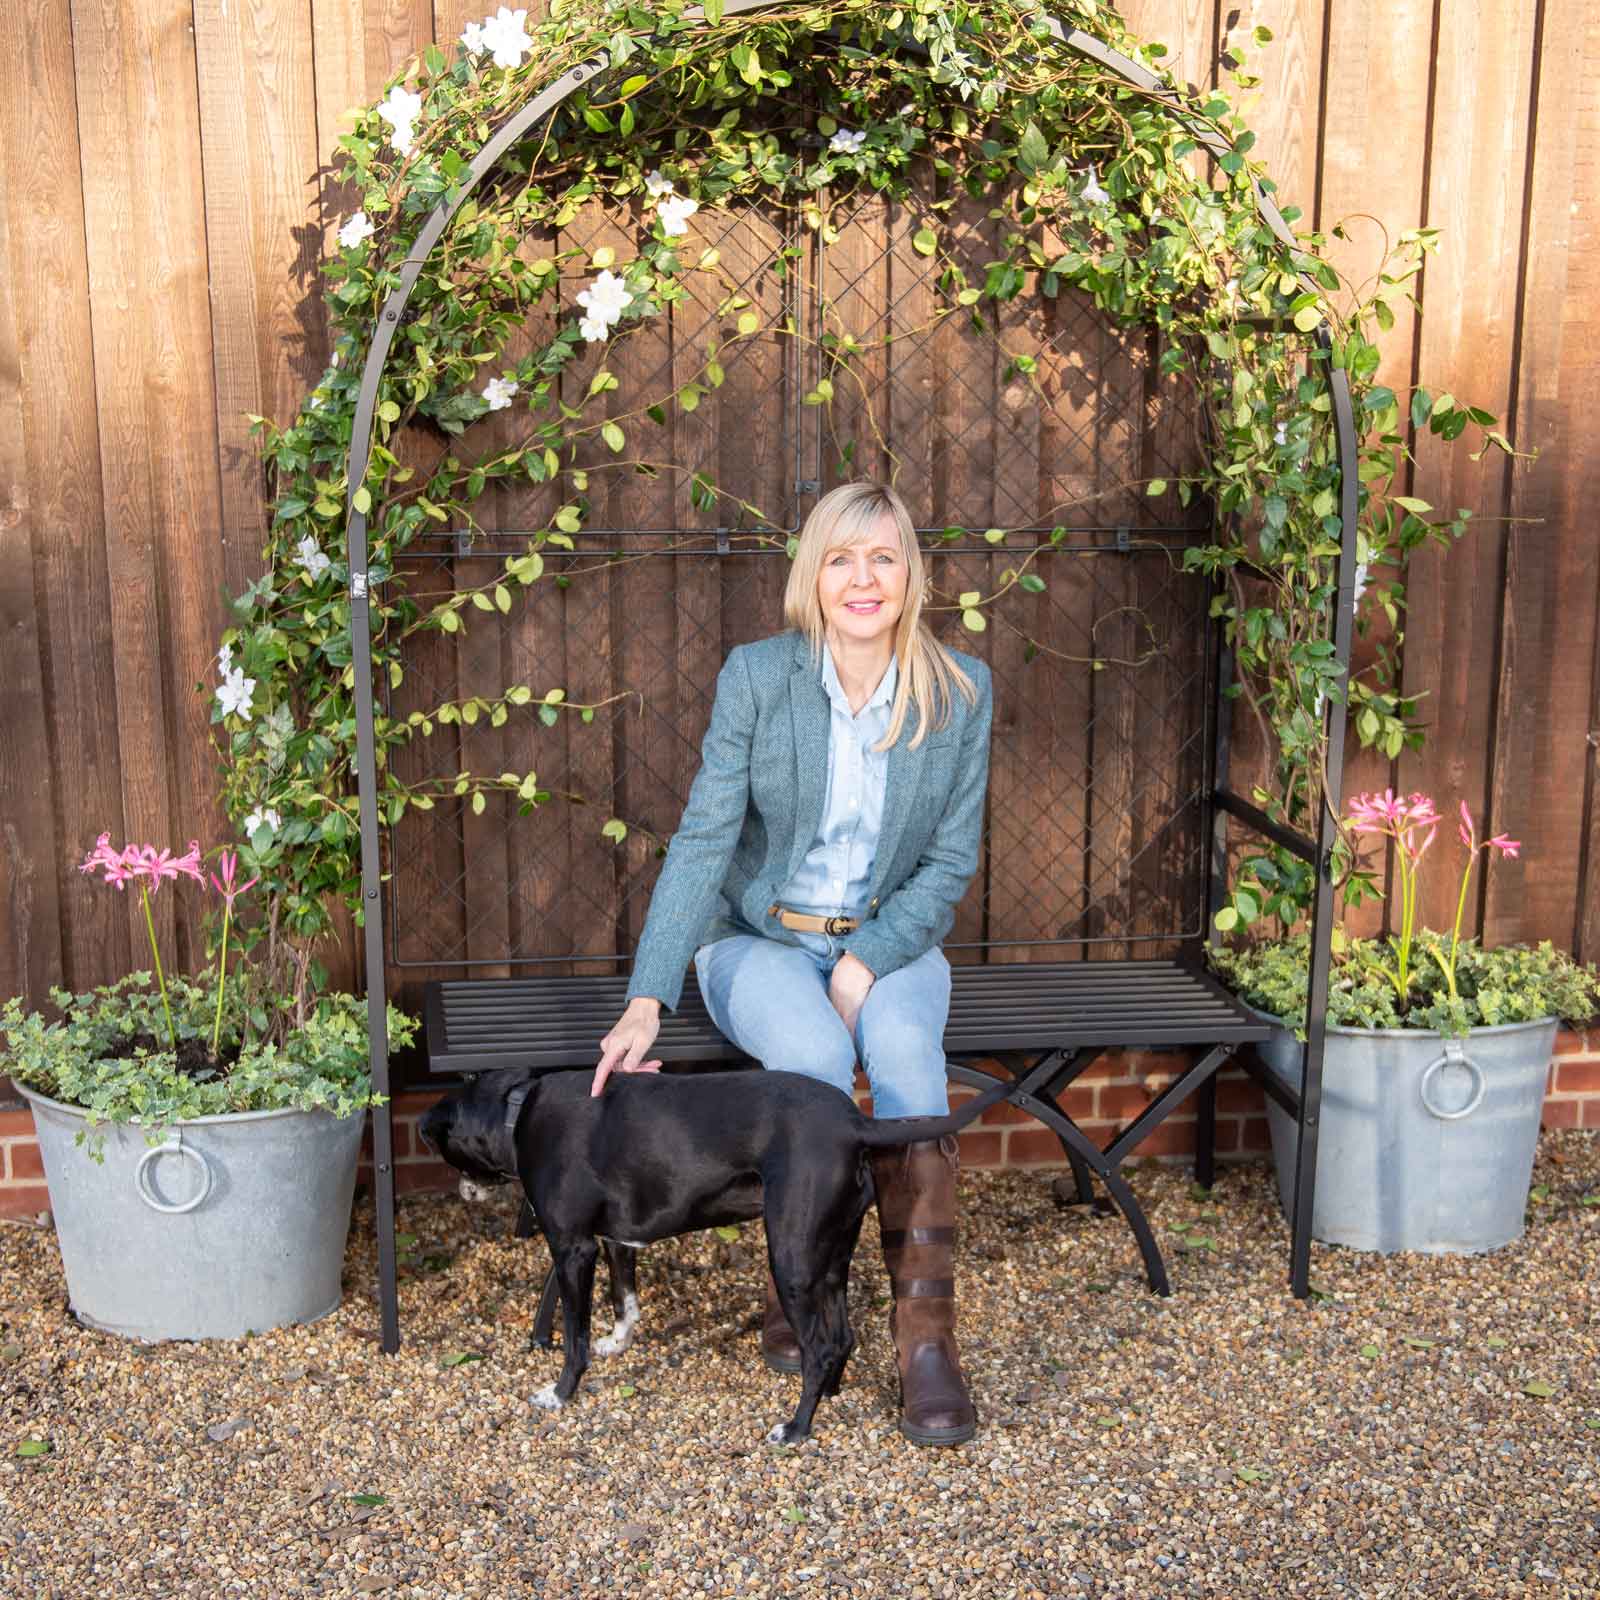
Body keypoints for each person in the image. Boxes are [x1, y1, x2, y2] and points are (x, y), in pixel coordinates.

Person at [592, 480, 994, 1446]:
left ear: (911, 575)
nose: (864, 579)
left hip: (892, 941)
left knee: (905, 1071)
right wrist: (648, 995)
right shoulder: (760, 677)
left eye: (884, 558)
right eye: (842, 559)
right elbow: (702, 840)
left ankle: (924, 1344)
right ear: (812, 575)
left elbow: (948, 863)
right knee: (811, 1069)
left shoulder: (959, 690)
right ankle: (801, 1284)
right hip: (761, 941)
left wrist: (869, 958)